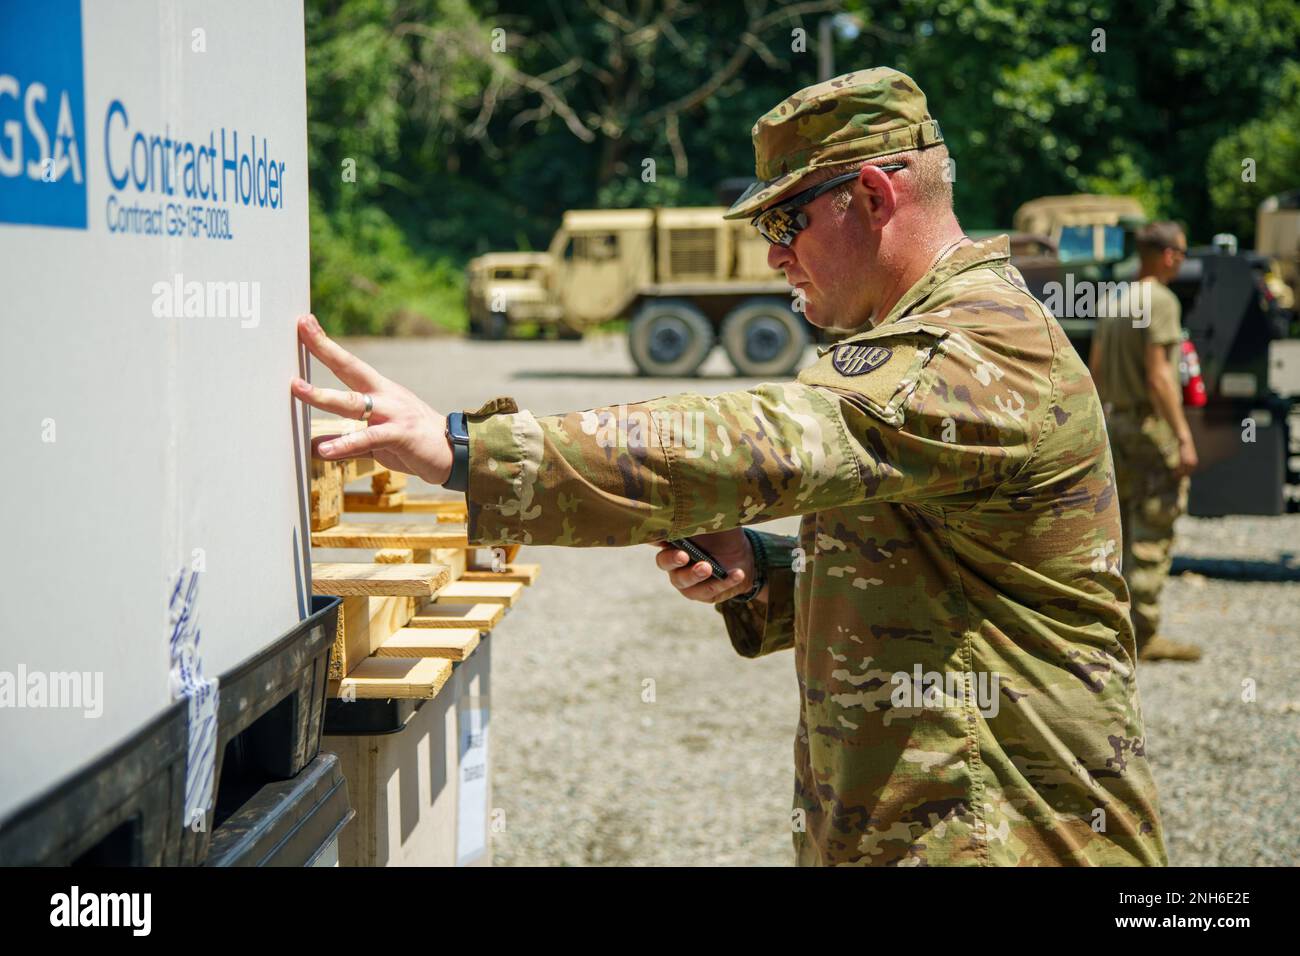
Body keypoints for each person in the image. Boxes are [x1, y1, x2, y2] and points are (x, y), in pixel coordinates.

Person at [292, 67, 1167, 866]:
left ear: (870, 194)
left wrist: (466, 451)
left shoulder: (979, 344)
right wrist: (766, 572)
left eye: (785, 222)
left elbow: (755, 437)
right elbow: (943, 581)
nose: (773, 255)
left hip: (1015, 839)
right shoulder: (933, 340)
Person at [1089, 222, 1202, 663]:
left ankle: (1114, 628)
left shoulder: (1117, 299)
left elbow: (1095, 369)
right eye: (1182, 252)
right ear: (1168, 254)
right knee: (1154, 528)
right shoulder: (1162, 301)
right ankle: (1145, 634)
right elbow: (1160, 376)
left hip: (1117, 424)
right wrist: (1183, 437)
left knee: (1123, 529)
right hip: (1149, 426)